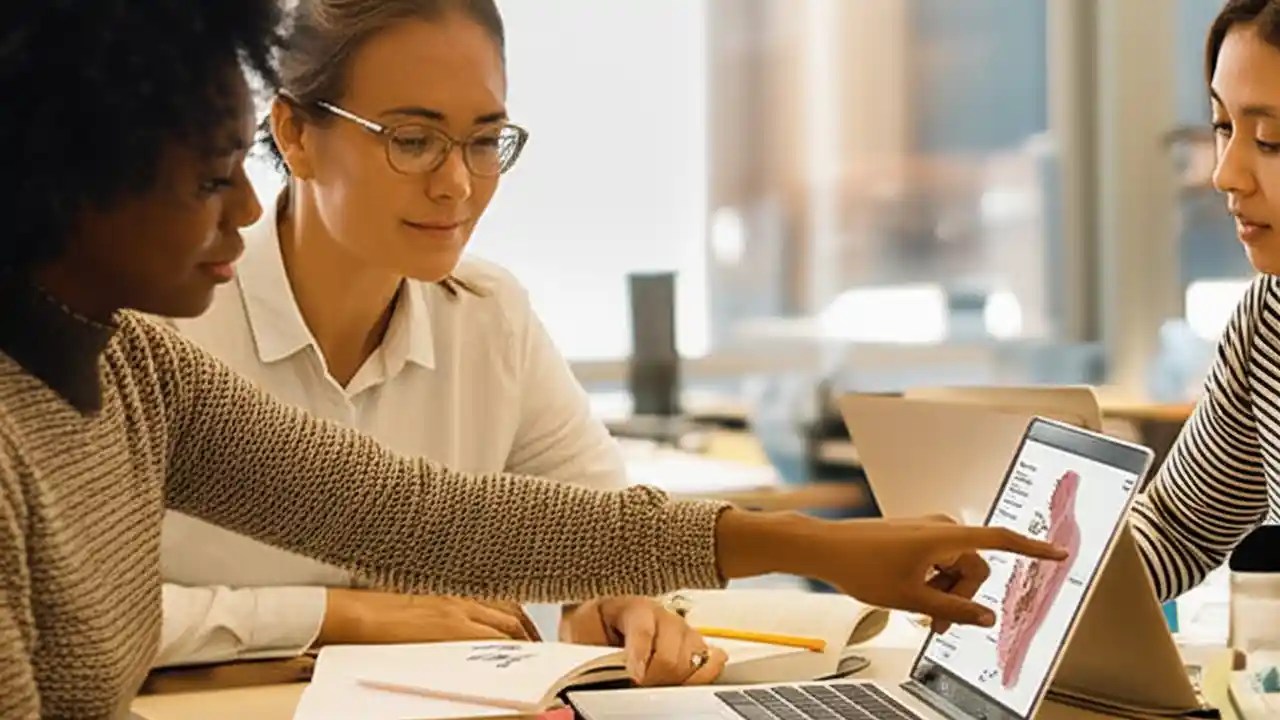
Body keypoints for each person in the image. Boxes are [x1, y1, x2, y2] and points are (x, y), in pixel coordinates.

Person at [0, 0, 1064, 716]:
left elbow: (434, 520)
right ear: (75, 178)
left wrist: (813, 545)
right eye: (206, 178)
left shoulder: (139, 370)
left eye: (482, 139)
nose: (242, 204)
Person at [155, 0, 712, 687]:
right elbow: (81, 614)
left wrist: (622, 603)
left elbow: (603, 532)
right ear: (295, 133)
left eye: (484, 141)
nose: (456, 186)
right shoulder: (163, 324)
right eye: (413, 140)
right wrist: (340, 617)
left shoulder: (489, 317)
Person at [1131, 0, 1280, 600]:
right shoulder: (1267, 320)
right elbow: (1177, 528)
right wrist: (1023, 579)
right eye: (1223, 126)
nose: (1225, 173)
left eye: (1271, 139)